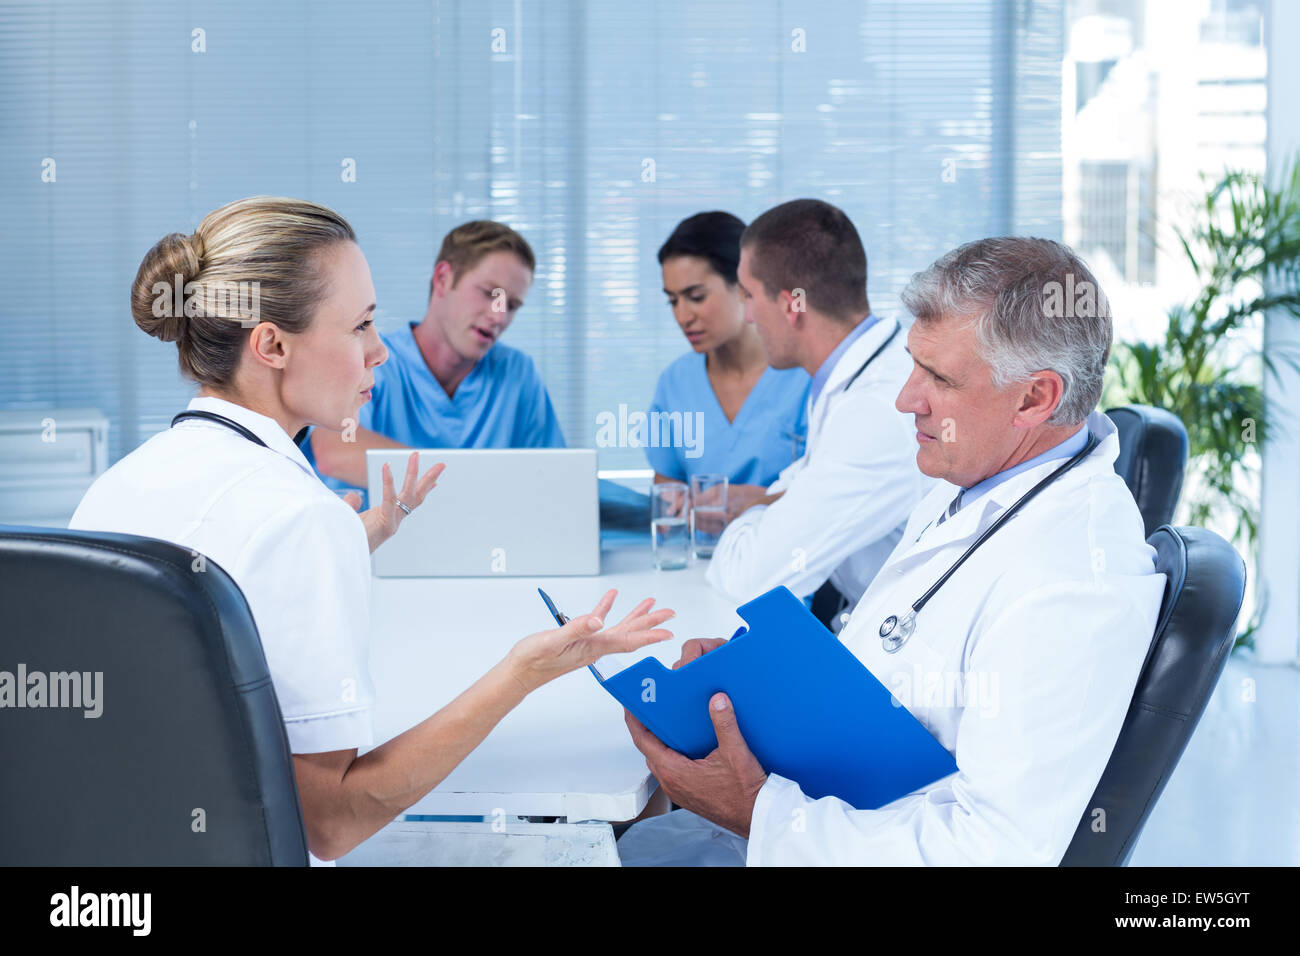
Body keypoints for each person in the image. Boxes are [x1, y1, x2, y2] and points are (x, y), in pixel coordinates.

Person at [68, 197, 673, 865]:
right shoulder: (300, 516)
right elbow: (335, 821)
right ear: (271, 345)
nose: (379, 352)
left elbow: (224, 592)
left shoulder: (117, 487)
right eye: (359, 326)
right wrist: (523, 672)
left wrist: (361, 533)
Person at [616, 237, 1166, 866]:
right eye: (912, 364)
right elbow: (889, 668)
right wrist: (763, 683)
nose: (906, 399)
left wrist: (759, 813)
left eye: (939, 378)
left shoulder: (1072, 577)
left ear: (1035, 398)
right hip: (826, 814)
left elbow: (996, 852)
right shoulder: (970, 479)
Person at [704, 199, 929, 615]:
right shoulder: (857, 376)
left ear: (792, 305)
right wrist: (777, 506)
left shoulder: (877, 410)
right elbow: (800, 482)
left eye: (750, 295)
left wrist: (755, 510)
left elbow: (748, 580)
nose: (748, 315)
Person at [303, 220, 565, 500]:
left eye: (511, 305)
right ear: (443, 279)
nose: (499, 316)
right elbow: (335, 451)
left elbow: (555, 479)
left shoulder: (517, 374)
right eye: (489, 294)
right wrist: (472, 488)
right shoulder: (375, 361)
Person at [647, 211, 809, 501]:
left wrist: (757, 502)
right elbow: (667, 487)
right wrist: (675, 505)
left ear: (743, 285)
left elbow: (834, 496)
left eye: (696, 297)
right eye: (672, 301)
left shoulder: (804, 375)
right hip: (703, 547)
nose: (682, 316)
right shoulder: (675, 383)